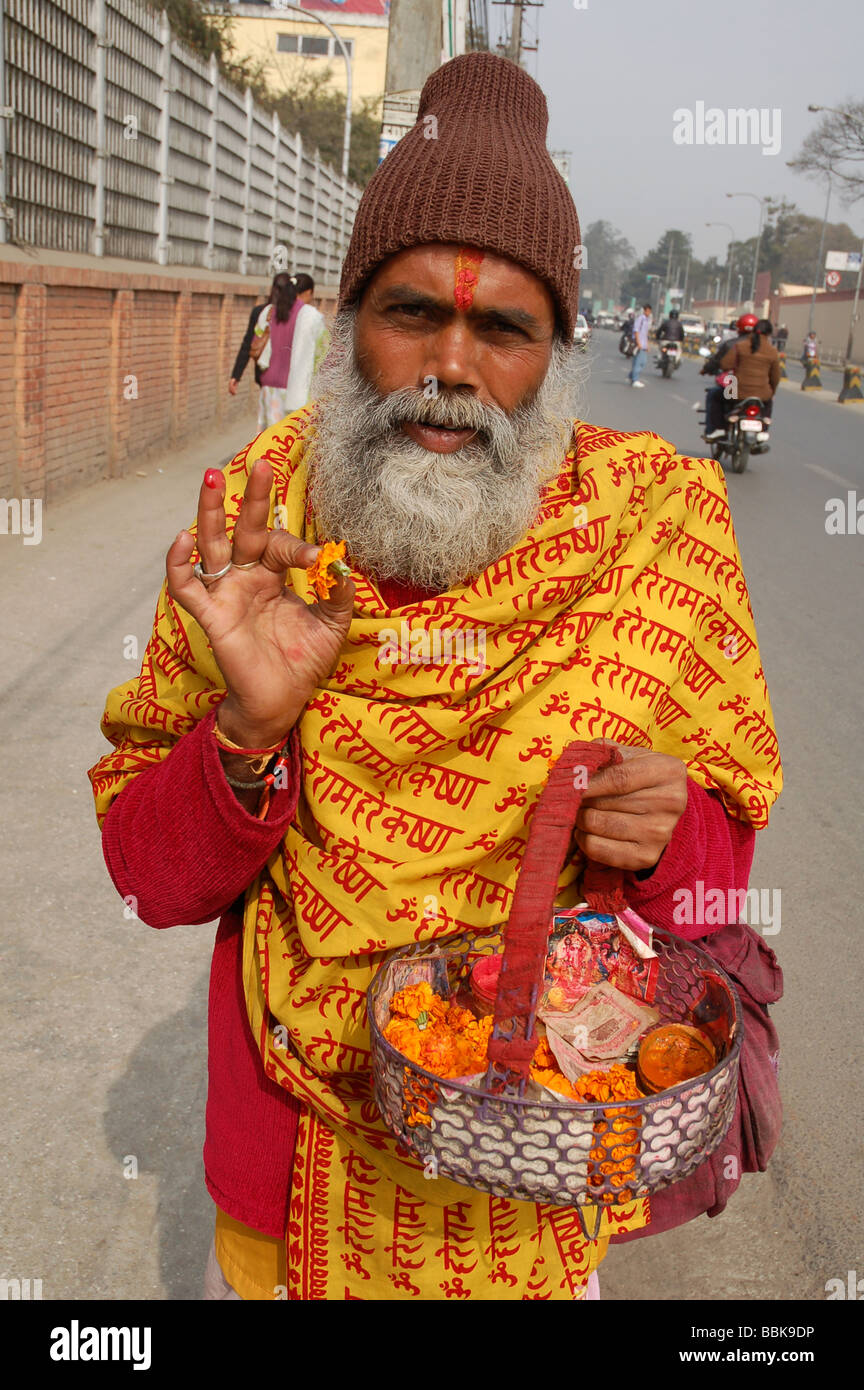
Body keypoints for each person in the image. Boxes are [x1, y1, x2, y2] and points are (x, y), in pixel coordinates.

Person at [89, 51, 782, 1302]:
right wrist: (249, 730)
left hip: (530, 1197)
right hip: (286, 1185)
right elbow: (149, 879)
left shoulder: (648, 526)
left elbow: (708, 899)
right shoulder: (257, 523)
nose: (451, 366)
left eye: (504, 327)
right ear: (353, 326)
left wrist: (656, 828)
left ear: (559, 360)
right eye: (412, 311)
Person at [229, 273, 304, 431]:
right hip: (290, 383)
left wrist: (236, 375)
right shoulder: (298, 314)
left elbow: (248, 344)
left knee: (269, 432)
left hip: (267, 381)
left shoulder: (261, 312)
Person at [702, 313, 780, 440]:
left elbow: (725, 364)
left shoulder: (740, 346)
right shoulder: (772, 351)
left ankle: (719, 429)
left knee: (715, 396)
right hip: (762, 394)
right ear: (769, 334)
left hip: (737, 392)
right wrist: (771, 391)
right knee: (769, 400)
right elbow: (775, 377)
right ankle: (763, 430)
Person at [282, 273, 330, 410]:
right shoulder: (311, 315)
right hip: (304, 389)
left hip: (280, 386)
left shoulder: (279, 311)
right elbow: (324, 352)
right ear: (309, 292)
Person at [628, 302, 652, 386]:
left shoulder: (647, 320)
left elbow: (645, 334)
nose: (649, 313)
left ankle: (632, 375)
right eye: (648, 311)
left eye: (650, 311)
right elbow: (636, 331)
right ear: (644, 311)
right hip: (639, 344)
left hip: (643, 344)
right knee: (638, 362)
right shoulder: (641, 319)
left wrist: (647, 345)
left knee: (643, 362)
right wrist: (638, 343)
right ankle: (635, 379)